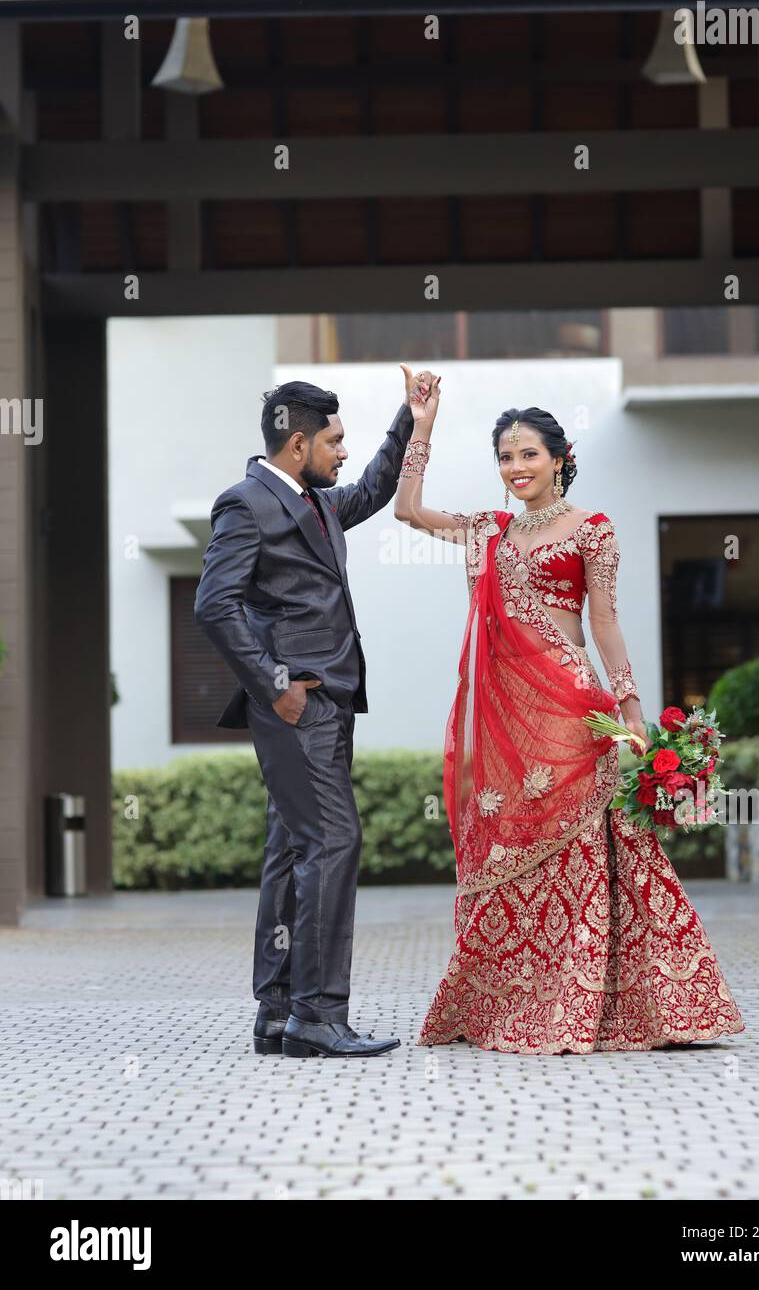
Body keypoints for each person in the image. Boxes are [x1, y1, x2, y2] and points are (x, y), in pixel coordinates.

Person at [395, 376, 746, 1055]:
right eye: (505, 456)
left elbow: (605, 623)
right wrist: (422, 424)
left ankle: (604, 999)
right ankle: (513, 997)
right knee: (511, 844)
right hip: (506, 713)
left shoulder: (592, 530)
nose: (516, 468)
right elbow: (408, 510)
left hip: (570, 703)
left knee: (591, 844)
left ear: (560, 457)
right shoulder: (486, 531)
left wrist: (632, 708)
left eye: (528, 454)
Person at [194, 370, 431, 1059]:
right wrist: (275, 684)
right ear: (297, 443)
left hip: (328, 699)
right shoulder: (246, 504)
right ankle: (318, 1016)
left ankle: (277, 1012)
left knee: (293, 847)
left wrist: (409, 420)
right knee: (334, 842)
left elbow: (375, 489)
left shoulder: (318, 503)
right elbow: (214, 604)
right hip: (296, 703)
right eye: (334, 440)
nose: (343, 452)